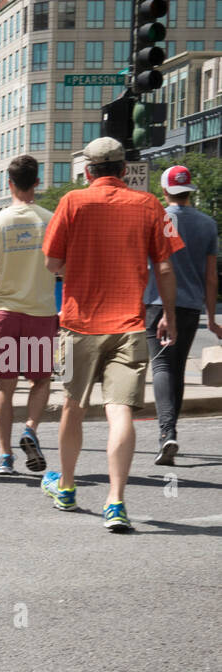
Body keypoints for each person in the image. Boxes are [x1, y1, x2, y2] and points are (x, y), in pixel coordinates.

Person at [41, 136, 182, 532]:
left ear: (87, 171)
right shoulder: (150, 205)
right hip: (130, 325)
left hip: (78, 324)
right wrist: (168, 315)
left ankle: (66, 488)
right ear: (123, 170)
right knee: (120, 410)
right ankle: (116, 502)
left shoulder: (72, 202)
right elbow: (166, 268)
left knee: (72, 404)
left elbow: (52, 262)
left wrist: (79, 269)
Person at [0, 154, 56, 476]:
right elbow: (64, 268)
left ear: (9, 184)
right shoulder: (51, 220)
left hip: (5, 314)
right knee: (42, 379)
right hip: (42, 313)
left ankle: (5, 456)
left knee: (4, 387)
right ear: (37, 182)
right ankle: (30, 427)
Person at [144, 163, 222, 465]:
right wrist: (212, 318)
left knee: (162, 365)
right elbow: (211, 275)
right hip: (190, 307)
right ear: (189, 190)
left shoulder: (159, 219)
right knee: (175, 369)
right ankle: (169, 434)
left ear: (164, 190)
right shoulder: (207, 224)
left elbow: (146, 266)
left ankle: (167, 433)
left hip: (156, 303)